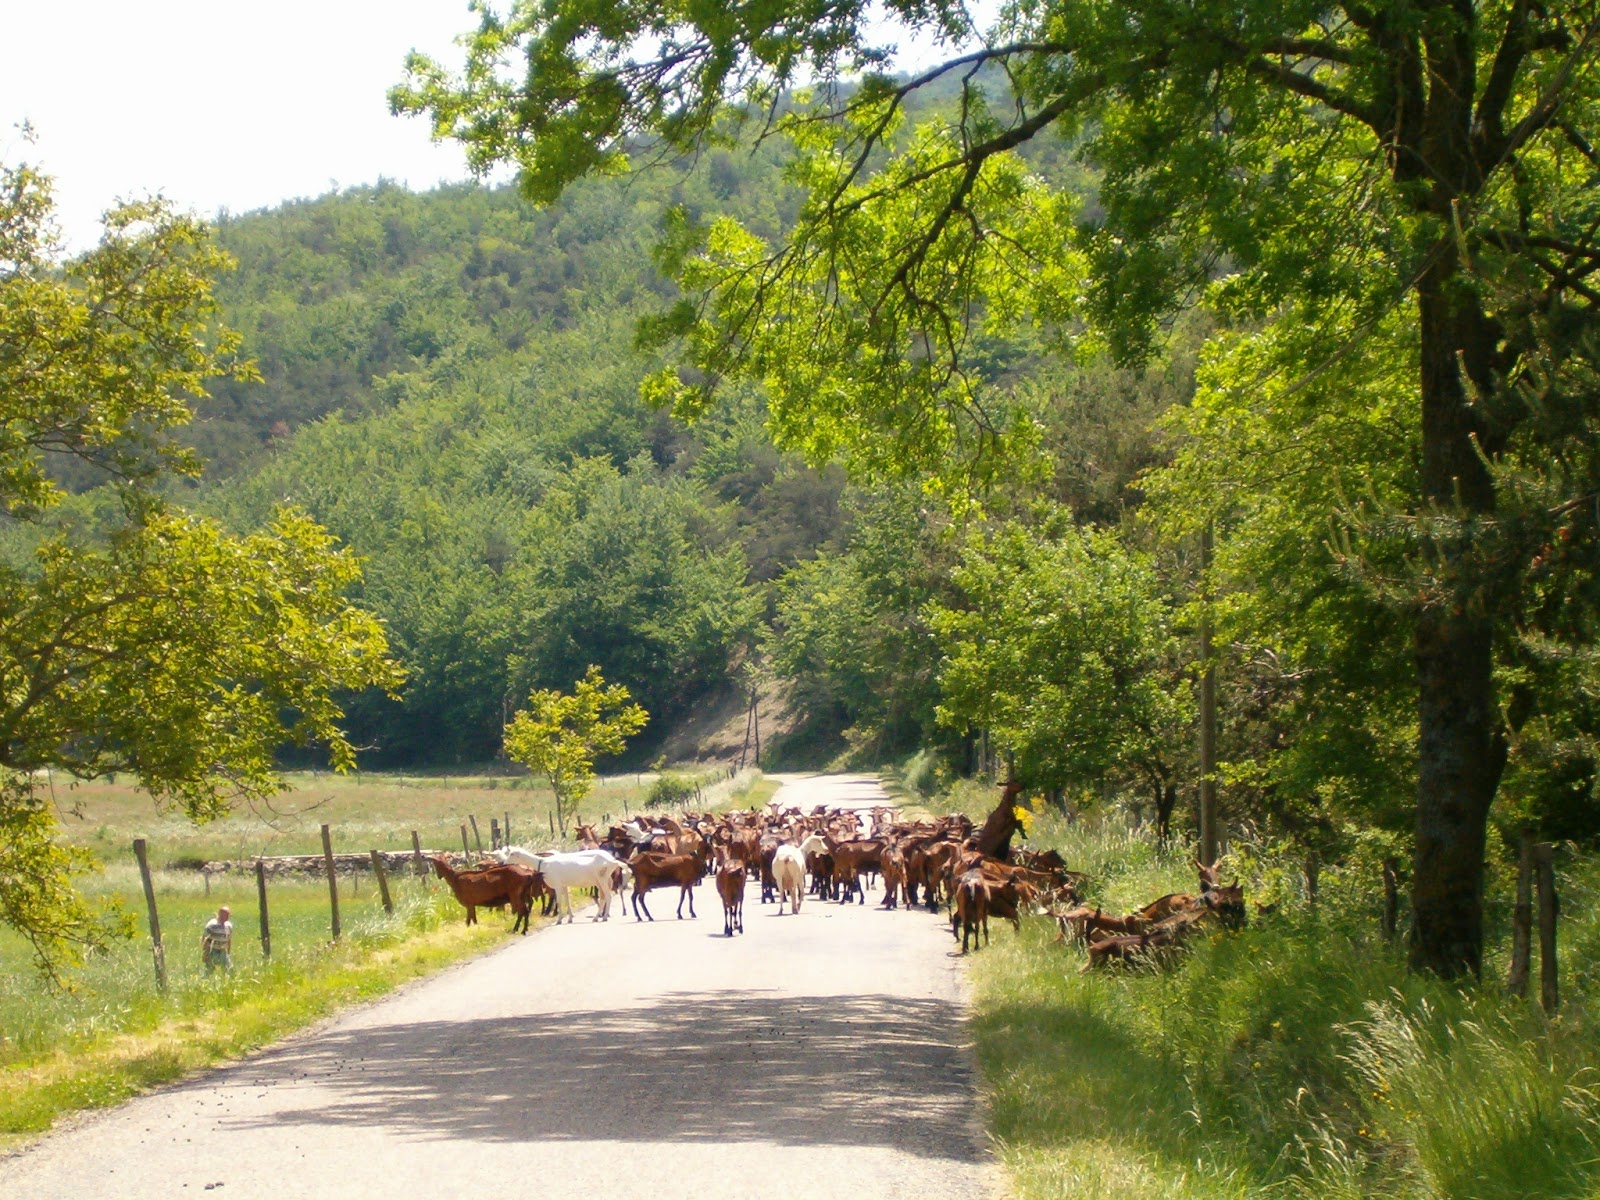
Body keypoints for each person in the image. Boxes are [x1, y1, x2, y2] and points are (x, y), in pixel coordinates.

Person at [201, 905, 233, 973]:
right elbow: (205, 939)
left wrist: (228, 953)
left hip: (223, 951)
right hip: (212, 951)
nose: (227, 916)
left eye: (228, 914)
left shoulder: (228, 926)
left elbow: (229, 939)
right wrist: (205, 953)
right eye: (225, 914)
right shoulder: (212, 925)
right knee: (209, 970)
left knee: (229, 970)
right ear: (220, 914)